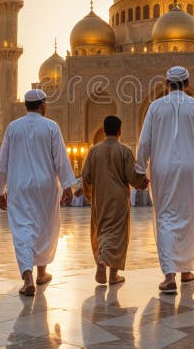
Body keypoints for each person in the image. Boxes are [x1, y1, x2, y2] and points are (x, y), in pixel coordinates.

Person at [135, 67, 194, 294]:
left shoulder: (155, 107)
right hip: (191, 168)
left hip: (162, 168)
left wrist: (140, 171)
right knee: (189, 216)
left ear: (166, 83)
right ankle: (186, 270)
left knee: (165, 218)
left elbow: (144, 143)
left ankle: (170, 274)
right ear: (188, 83)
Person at [0, 89, 77, 296]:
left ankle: (28, 277)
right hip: (45, 186)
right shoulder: (51, 126)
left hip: (19, 185)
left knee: (23, 230)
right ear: (43, 105)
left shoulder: (13, 127)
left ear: (26, 106)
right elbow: (60, 158)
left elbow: (3, 160)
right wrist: (68, 185)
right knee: (45, 227)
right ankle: (42, 273)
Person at [81, 115, 148, 285]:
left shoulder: (94, 150)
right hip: (118, 199)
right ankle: (108, 268)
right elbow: (133, 177)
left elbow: (86, 175)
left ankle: (108, 270)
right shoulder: (124, 151)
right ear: (119, 131)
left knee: (103, 230)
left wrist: (89, 195)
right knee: (118, 234)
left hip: (100, 198)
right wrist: (142, 183)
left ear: (104, 130)